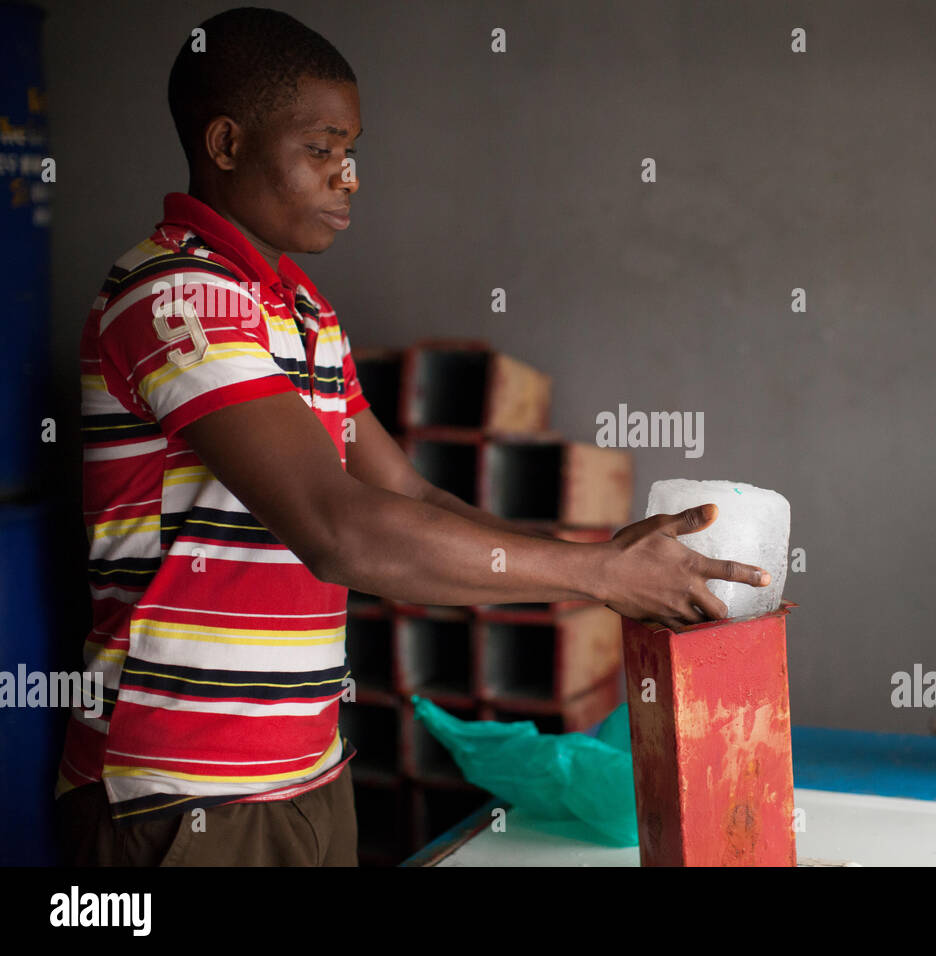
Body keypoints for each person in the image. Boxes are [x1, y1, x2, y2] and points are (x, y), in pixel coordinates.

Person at [55, 6, 770, 866]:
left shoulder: (306, 314)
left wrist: (600, 558)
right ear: (226, 143)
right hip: (181, 796)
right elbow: (337, 528)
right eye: (320, 150)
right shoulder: (172, 299)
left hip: (311, 772)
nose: (348, 176)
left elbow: (407, 496)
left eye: (351, 151)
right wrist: (595, 574)